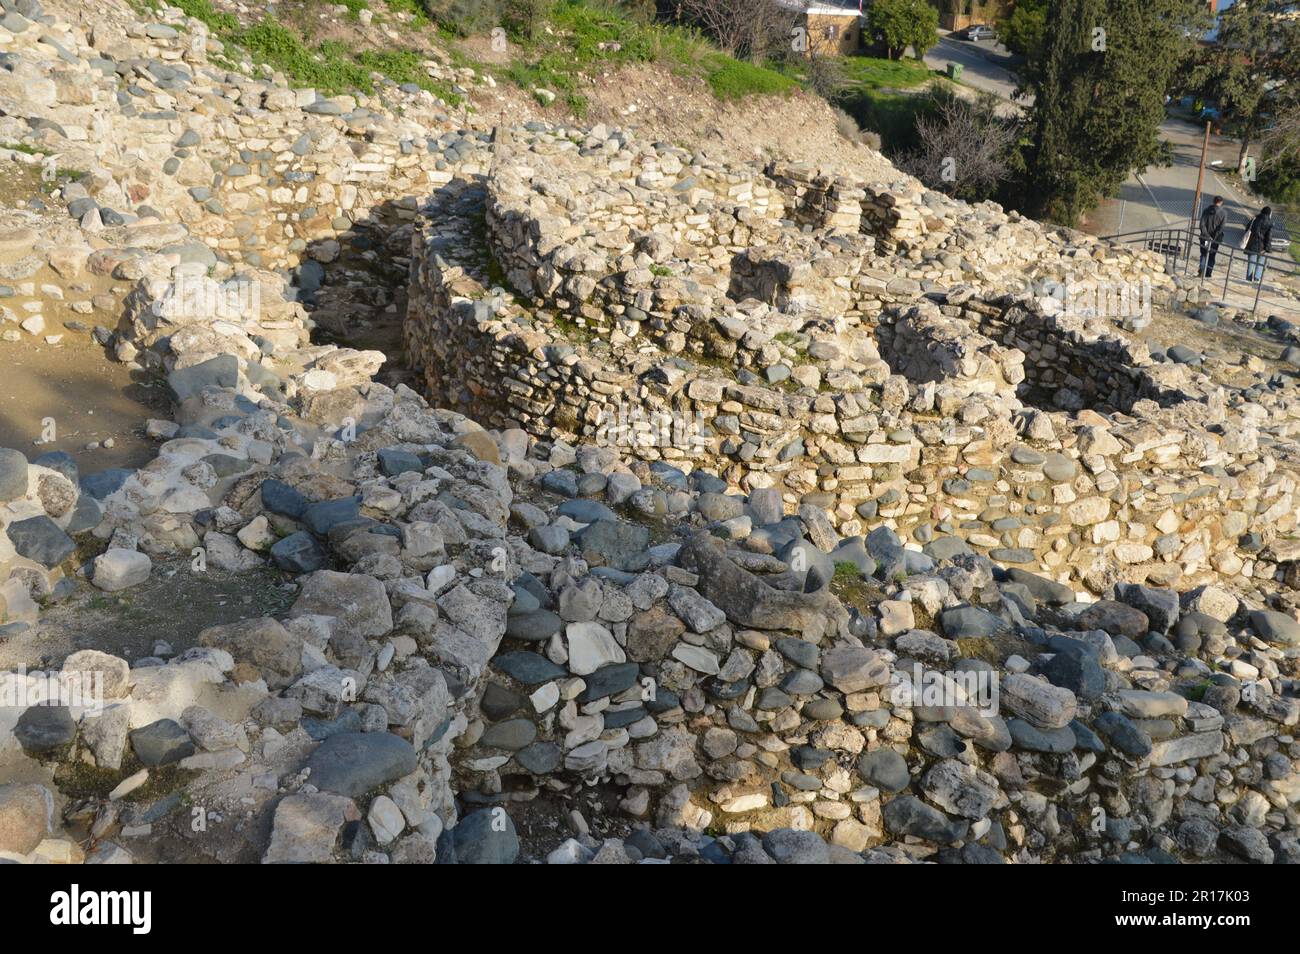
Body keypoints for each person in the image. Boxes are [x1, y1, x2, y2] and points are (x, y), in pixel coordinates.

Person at [1199, 195, 1226, 278]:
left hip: (1205, 238)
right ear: (1221, 203)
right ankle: (1208, 273)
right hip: (1215, 239)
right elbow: (1221, 227)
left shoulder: (1206, 211)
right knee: (1212, 256)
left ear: (1213, 201)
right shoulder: (1224, 213)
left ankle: (1201, 271)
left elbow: (1202, 225)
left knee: (1204, 254)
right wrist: (1214, 237)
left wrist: (1207, 235)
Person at [1244, 206, 1273, 282]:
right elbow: (1269, 237)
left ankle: (1248, 279)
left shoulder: (1255, 219)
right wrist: (1267, 248)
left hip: (1252, 244)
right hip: (1262, 246)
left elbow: (1247, 228)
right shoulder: (1269, 223)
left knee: (1251, 263)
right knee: (1260, 263)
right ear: (1269, 213)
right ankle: (1257, 279)